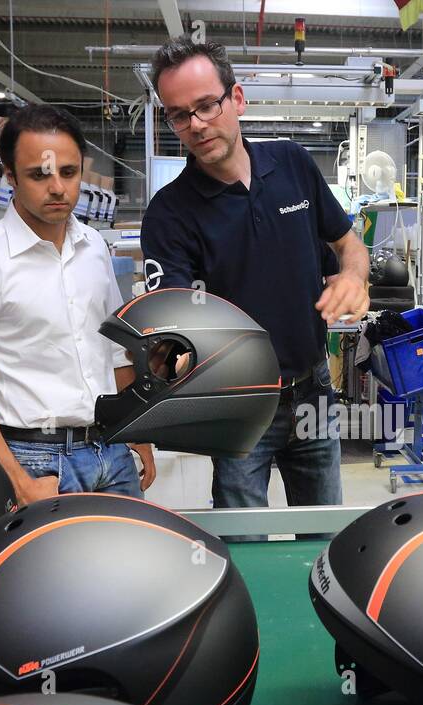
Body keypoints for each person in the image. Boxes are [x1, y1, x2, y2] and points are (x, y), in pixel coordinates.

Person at [139, 37, 370, 511]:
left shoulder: (293, 164)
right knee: (245, 540)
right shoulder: (168, 215)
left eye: (206, 105)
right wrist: (177, 357)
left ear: (237, 99)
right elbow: (174, 327)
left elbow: (349, 244)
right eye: (179, 115)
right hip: (239, 403)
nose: (197, 125)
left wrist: (352, 276)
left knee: (324, 526)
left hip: (313, 391)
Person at [0, 104, 156, 506]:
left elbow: (114, 352)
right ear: (10, 176)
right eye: (39, 175)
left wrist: (135, 432)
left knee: (131, 567)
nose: (57, 187)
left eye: (69, 173)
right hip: (39, 463)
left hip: (112, 452)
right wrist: (19, 483)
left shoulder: (93, 246)